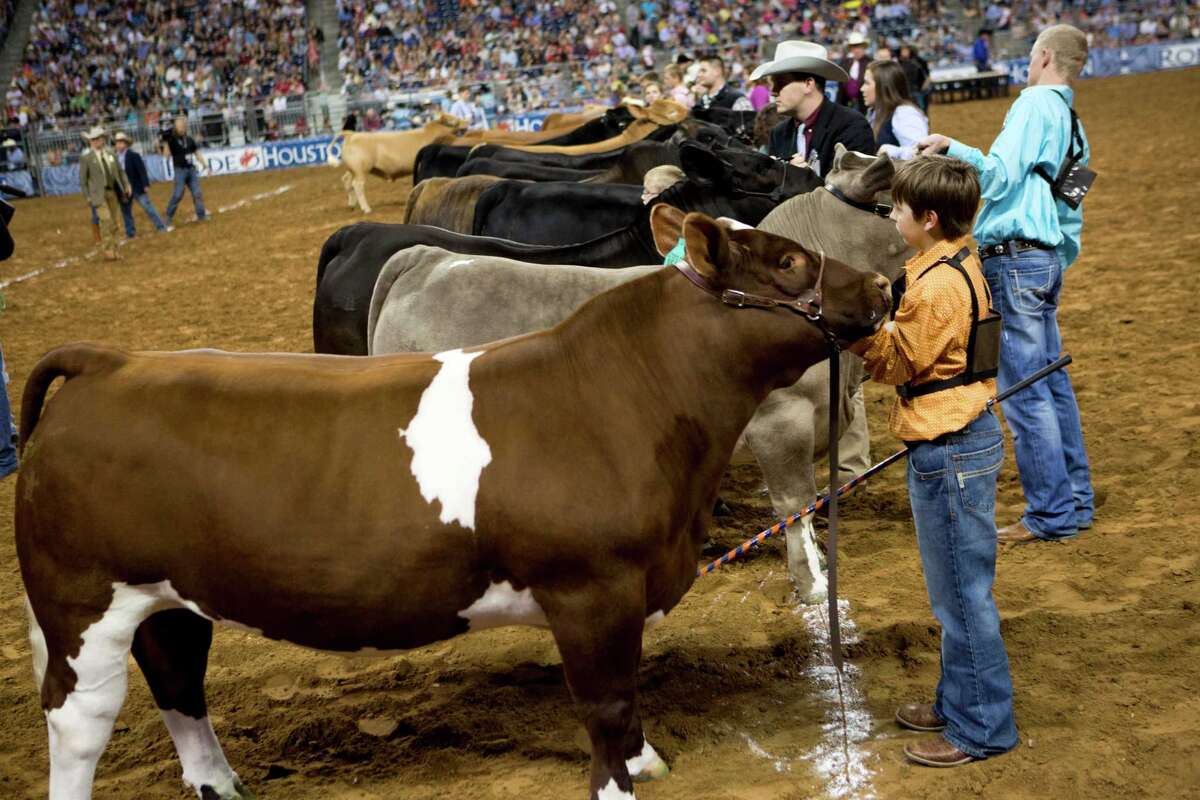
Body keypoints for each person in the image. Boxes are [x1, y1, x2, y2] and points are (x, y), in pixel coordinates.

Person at [849, 155, 1019, 768]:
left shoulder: (937, 285)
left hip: (948, 446)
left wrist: (860, 327)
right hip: (959, 436)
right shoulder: (954, 262)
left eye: (897, 208)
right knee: (958, 590)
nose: (891, 216)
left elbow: (897, 362)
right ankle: (959, 701)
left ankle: (982, 729)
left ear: (926, 217)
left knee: (962, 597)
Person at [918, 24, 1095, 542]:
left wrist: (953, 146)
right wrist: (1060, 254)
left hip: (1015, 260)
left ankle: (1052, 515)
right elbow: (1075, 196)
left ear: (1041, 55)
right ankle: (1073, 503)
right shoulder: (1073, 121)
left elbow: (996, 176)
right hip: (1042, 263)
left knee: (1024, 393)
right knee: (1051, 385)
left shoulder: (1033, 104)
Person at [753, 40, 875, 177]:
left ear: (808, 84)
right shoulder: (779, 134)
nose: (773, 92)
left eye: (780, 83)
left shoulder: (851, 126)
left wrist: (794, 178)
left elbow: (852, 191)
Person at [78, 125, 131, 261]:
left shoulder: (111, 154)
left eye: (97, 139)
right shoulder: (86, 158)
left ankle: (116, 248)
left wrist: (126, 184)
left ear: (103, 139)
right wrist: (88, 196)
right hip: (98, 195)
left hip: (113, 192)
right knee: (106, 220)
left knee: (115, 221)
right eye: (93, 139)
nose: (95, 141)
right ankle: (108, 249)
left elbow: (120, 171)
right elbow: (83, 180)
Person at [863, 60, 929, 160]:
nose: (862, 88)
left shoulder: (904, 113)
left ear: (884, 86)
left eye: (867, 83)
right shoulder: (875, 112)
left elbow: (923, 153)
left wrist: (892, 152)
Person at [113, 132, 167, 237]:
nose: (119, 145)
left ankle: (161, 226)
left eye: (121, 142)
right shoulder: (114, 158)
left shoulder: (134, 155)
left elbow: (142, 171)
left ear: (126, 144)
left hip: (136, 186)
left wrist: (145, 184)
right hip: (123, 189)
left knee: (148, 207)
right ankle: (130, 233)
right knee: (126, 212)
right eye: (117, 143)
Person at [161, 116, 207, 225]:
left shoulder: (190, 140)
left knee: (197, 193)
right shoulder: (171, 140)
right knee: (178, 194)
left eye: (182, 126)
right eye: (178, 127)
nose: (181, 128)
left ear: (185, 127)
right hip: (179, 170)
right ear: (175, 128)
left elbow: (197, 153)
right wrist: (166, 142)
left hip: (191, 169)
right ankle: (168, 216)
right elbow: (166, 156)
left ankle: (201, 215)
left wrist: (205, 164)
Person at [838, 32, 872, 112]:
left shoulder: (870, 63)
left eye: (859, 47)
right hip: (846, 103)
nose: (856, 50)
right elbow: (840, 84)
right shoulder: (845, 62)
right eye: (854, 47)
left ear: (863, 48)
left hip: (864, 104)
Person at [899, 44, 933, 112]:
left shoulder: (920, 61)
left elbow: (927, 75)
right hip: (908, 91)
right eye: (902, 51)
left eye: (905, 51)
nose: (902, 52)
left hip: (918, 90)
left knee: (921, 110)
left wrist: (924, 86)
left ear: (910, 51)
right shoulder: (901, 62)